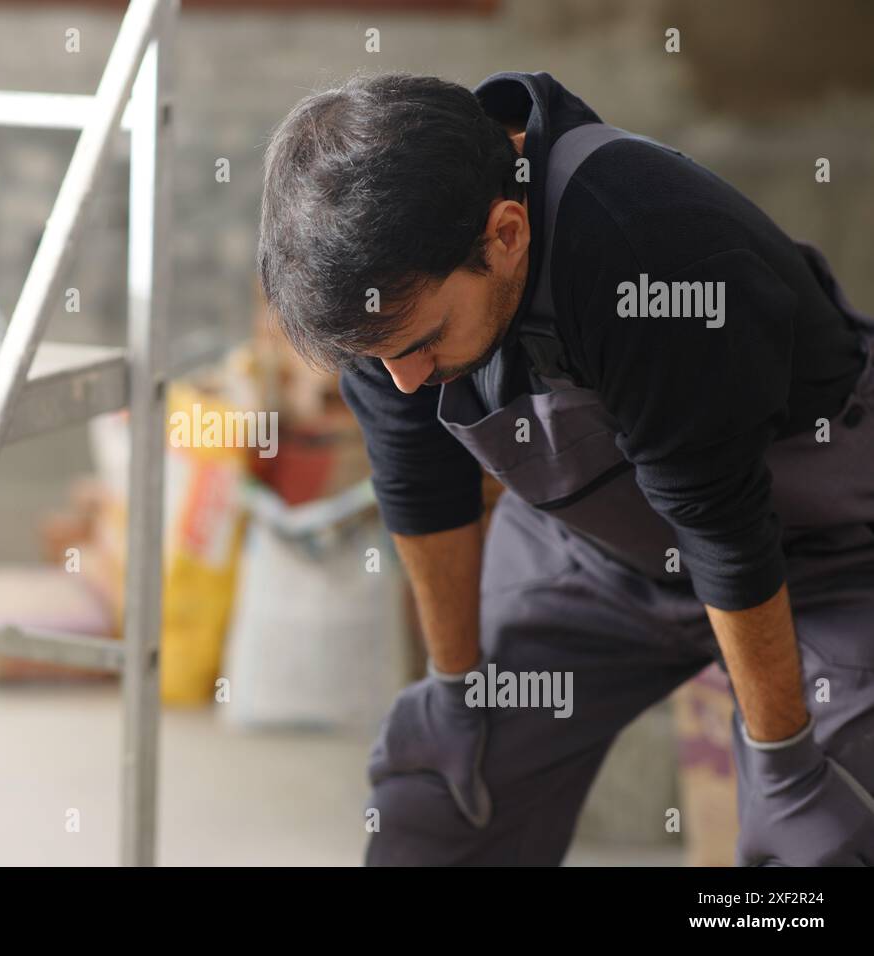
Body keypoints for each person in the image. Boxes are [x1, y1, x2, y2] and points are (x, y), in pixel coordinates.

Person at [256, 71, 874, 866]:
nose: (404, 380)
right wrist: (455, 692)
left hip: (825, 555)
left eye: (422, 345)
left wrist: (787, 762)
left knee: (820, 845)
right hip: (594, 553)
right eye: (379, 358)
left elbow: (721, 523)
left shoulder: (652, 249)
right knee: (442, 804)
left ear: (506, 233)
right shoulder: (381, 285)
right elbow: (417, 477)